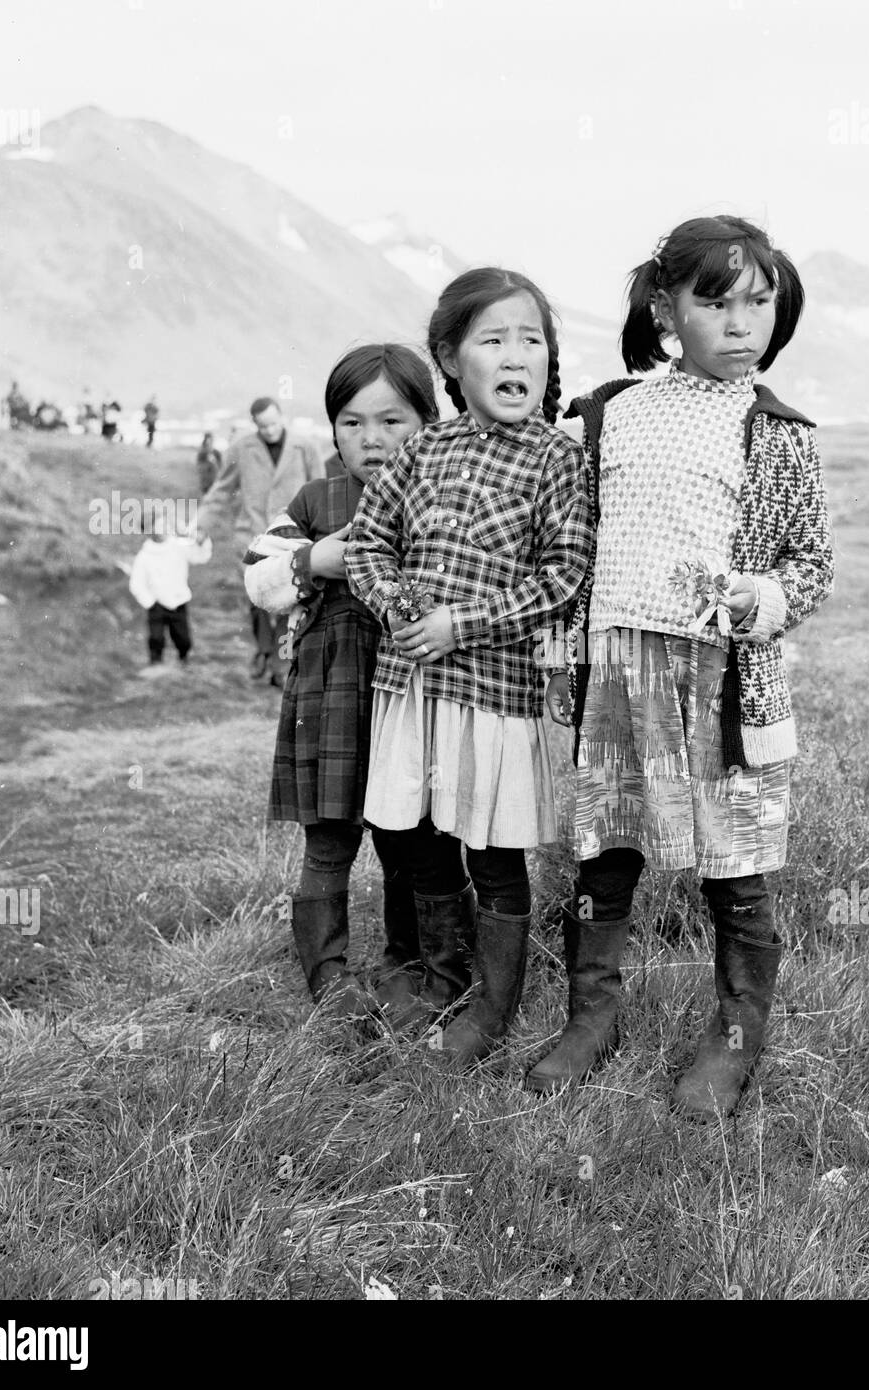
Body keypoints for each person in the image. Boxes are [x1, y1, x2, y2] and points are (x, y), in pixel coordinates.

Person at [531, 215, 835, 1117]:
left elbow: (810, 565)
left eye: (760, 301)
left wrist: (760, 598)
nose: (743, 323)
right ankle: (594, 1014)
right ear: (666, 308)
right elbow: (575, 552)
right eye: (717, 302)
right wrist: (564, 648)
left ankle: (734, 1037)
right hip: (619, 671)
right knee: (605, 853)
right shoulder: (607, 414)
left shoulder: (777, 434)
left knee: (733, 865)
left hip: (719, 685)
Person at [345, 269, 592, 1062]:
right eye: (495, 340)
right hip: (415, 688)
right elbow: (367, 543)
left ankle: (491, 1007)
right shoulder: (422, 448)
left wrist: (464, 622)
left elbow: (564, 578)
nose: (518, 355)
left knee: (492, 853)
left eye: (532, 340)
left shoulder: (556, 461)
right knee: (419, 838)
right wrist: (394, 605)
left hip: (493, 694)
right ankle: (442, 978)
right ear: (451, 360)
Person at [243, 345, 439, 1025]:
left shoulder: (443, 500)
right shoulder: (316, 499)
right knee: (329, 840)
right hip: (331, 695)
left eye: (392, 421)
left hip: (411, 695)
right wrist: (312, 559)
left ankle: (409, 962)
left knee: (408, 837)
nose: (372, 439)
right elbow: (259, 580)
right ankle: (327, 970)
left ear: (428, 419)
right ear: (332, 430)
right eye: (352, 423)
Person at [198, 397, 325, 684]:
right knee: (256, 599)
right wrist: (202, 524)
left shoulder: (305, 447)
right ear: (255, 425)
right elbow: (221, 490)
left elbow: (319, 491)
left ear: (282, 417)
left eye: (273, 423)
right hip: (252, 538)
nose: (269, 430)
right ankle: (264, 651)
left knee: (286, 599)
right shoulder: (241, 448)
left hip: (292, 538)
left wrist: (320, 532)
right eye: (262, 426)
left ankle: (280, 664)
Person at [128, 508, 212, 674]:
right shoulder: (145, 556)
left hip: (178, 602)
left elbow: (199, 556)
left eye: (163, 523)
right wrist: (150, 602)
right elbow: (136, 584)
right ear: (149, 531)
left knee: (183, 638)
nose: (163, 528)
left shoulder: (178, 547)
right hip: (157, 605)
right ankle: (155, 663)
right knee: (156, 637)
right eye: (157, 525)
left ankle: (184, 658)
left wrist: (202, 542)